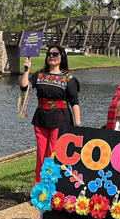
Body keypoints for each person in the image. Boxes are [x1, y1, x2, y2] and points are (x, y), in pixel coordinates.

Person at [20, 45, 81, 183]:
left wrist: (78, 124)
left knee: (53, 153)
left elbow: (74, 102)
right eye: (49, 54)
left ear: (62, 57)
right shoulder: (40, 75)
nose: (52, 56)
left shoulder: (68, 78)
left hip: (60, 120)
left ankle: (51, 187)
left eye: (55, 54)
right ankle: (39, 186)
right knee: (41, 153)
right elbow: (24, 87)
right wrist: (26, 70)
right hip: (41, 119)